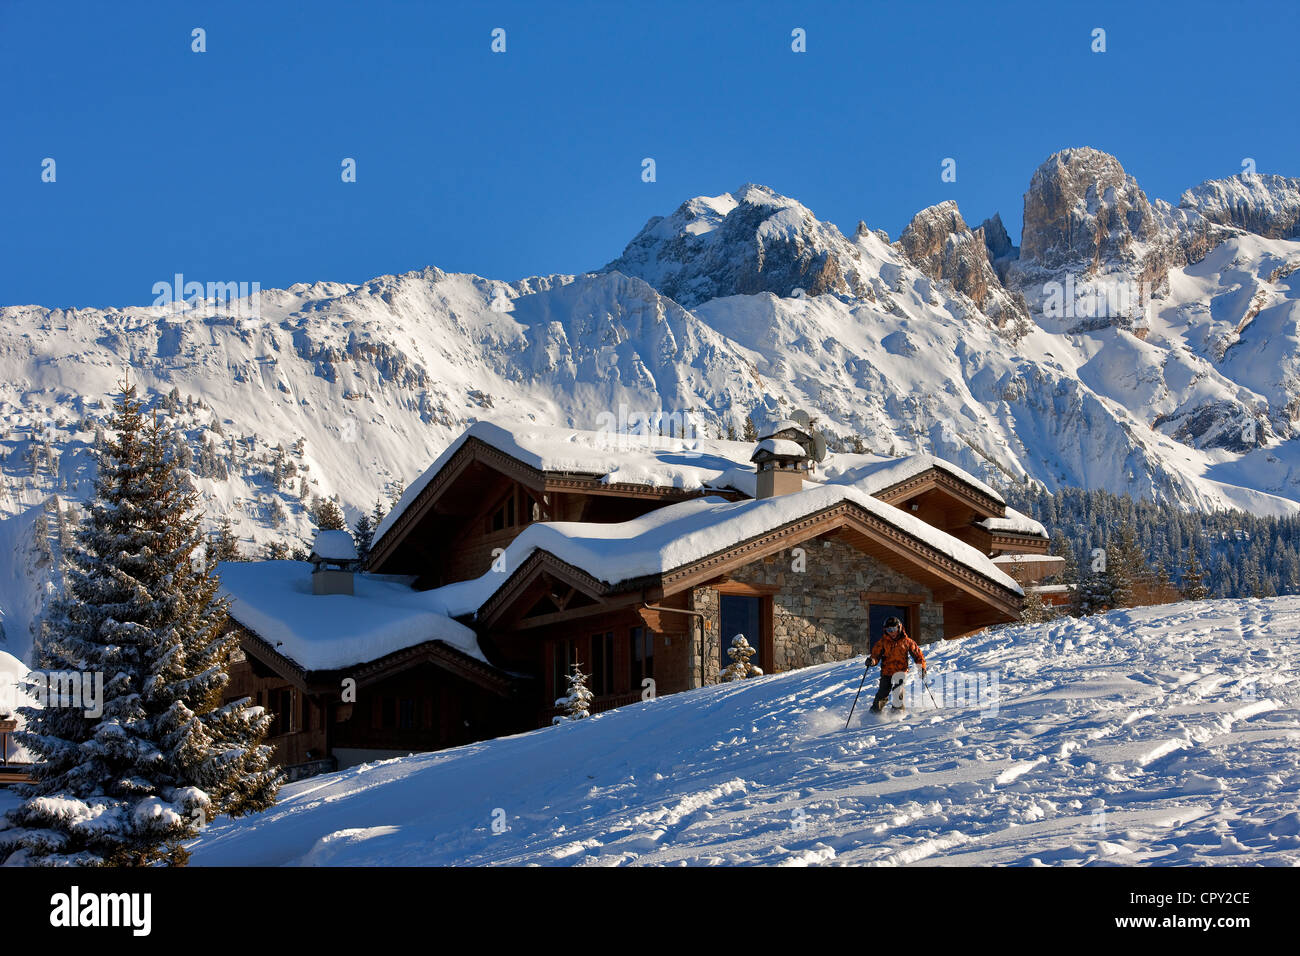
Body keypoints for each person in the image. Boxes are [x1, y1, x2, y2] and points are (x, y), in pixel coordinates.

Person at [866, 616, 926, 712]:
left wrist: (921, 668)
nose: (892, 632)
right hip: (887, 671)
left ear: (899, 628)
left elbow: (918, 656)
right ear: (885, 630)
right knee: (882, 693)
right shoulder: (882, 642)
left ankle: (897, 713)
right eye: (889, 629)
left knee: (898, 691)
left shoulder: (907, 642)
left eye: (894, 629)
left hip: (901, 671)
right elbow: (875, 655)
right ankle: (874, 713)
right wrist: (872, 661)